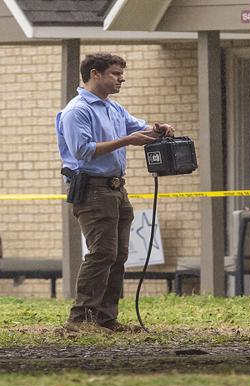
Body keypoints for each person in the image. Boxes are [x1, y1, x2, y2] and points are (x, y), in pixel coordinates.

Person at [56, 52, 174, 330]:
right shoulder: (77, 111)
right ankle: (81, 319)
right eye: (115, 73)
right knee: (101, 254)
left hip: (117, 190)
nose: (122, 78)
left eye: (121, 73)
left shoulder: (113, 108)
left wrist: (157, 129)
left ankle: (106, 319)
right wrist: (126, 141)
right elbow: (83, 151)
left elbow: (139, 128)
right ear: (95, 74)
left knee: (119, 255)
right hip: (93, 191)